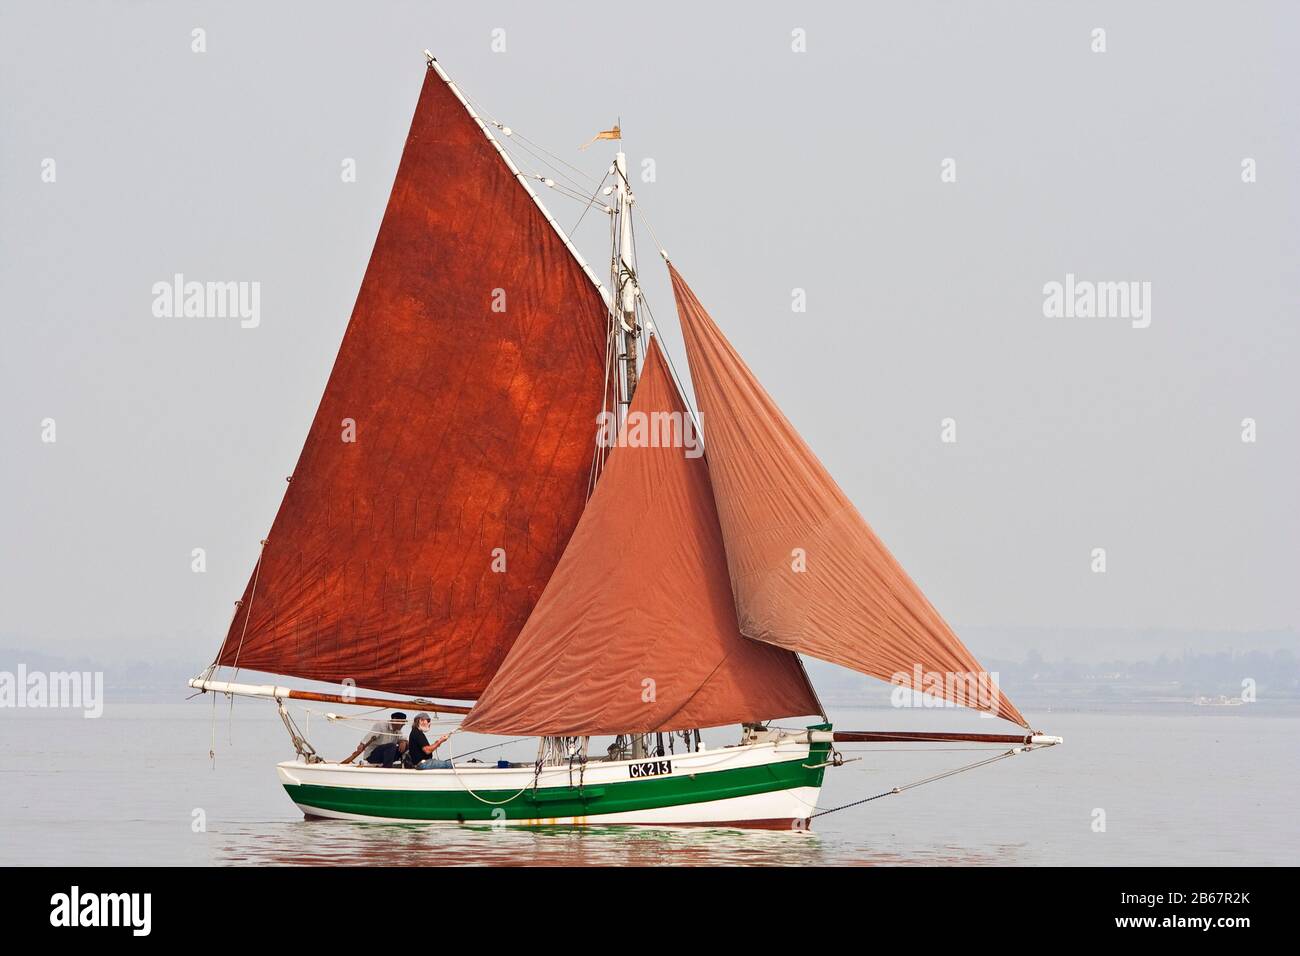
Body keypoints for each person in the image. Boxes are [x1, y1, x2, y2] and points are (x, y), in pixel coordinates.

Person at [340, 712, 407, 767]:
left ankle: (406, 765)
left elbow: (402, 738)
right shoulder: (381, 725)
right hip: (373, 756)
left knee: (407, 745)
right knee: (391, 746)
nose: (403, 725)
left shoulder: (397, 731)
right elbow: (370, 736)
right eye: (402, 722)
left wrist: (403, 742)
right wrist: (362, 744)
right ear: (394, 720)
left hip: (386, 756)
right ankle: (387, 768)